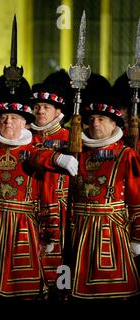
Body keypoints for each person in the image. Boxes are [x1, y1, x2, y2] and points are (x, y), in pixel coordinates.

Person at [0, 92, 77, 300]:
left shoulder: (31, 148)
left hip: (26, 222)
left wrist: (58, 158)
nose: (8, 122)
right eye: (3, 118)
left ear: (25, 124)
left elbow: (39, 156)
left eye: (15, 118)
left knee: (32, 278)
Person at [69, 97, 140, 299]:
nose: (95, 123)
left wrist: (137, 237)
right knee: (73, 285)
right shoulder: (76, 152)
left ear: (113, 124)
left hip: (112, 231)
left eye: (101, 119)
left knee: (112, 288)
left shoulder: (126, 155)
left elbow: (137, 198)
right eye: (91, 119)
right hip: (79, 230)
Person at [30, 83, 69, 295]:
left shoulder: (70, 137)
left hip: (62, 212)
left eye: (46, 106)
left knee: (62, 270)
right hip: (30, 210)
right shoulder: (26, 136)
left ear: (58, 110)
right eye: (36, 106)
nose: (40, 111)